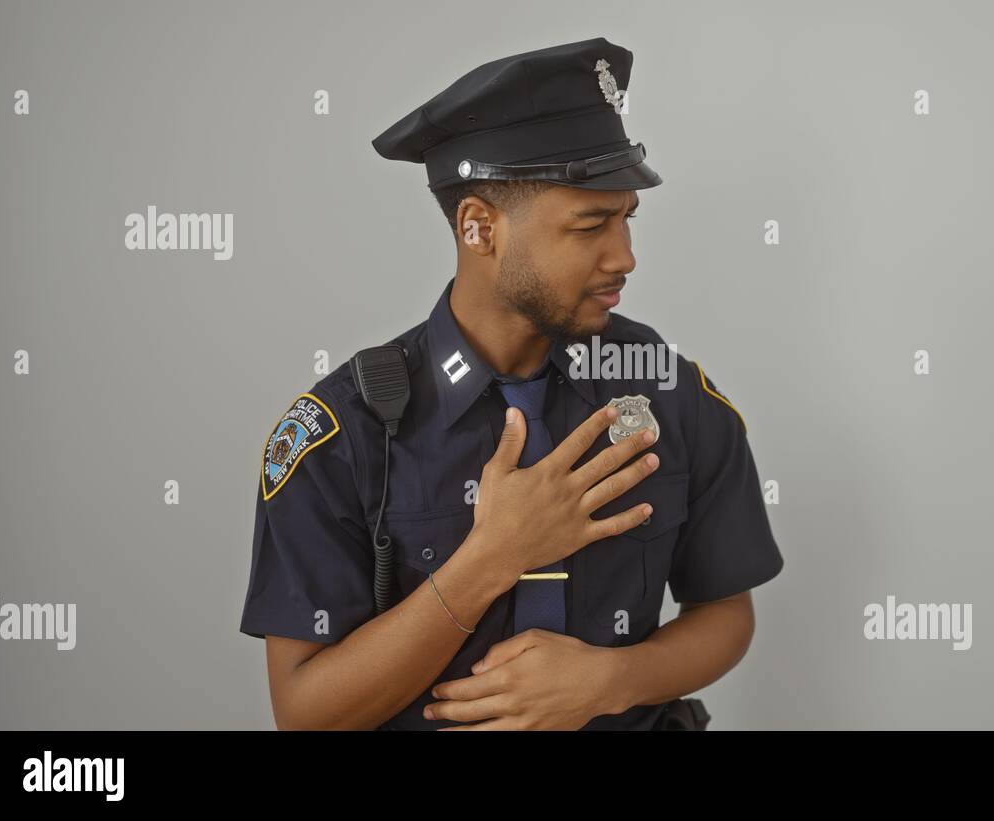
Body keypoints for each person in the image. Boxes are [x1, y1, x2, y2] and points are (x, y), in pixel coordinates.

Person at [239, 36, 783, 730]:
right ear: (478, 228)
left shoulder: (663, 389)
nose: (626, 256)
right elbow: (305, 713)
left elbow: (726, 613)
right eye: (590, 225)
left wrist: (609, 680)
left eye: (627, 219)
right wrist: (492, 558)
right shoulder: (343, 432)